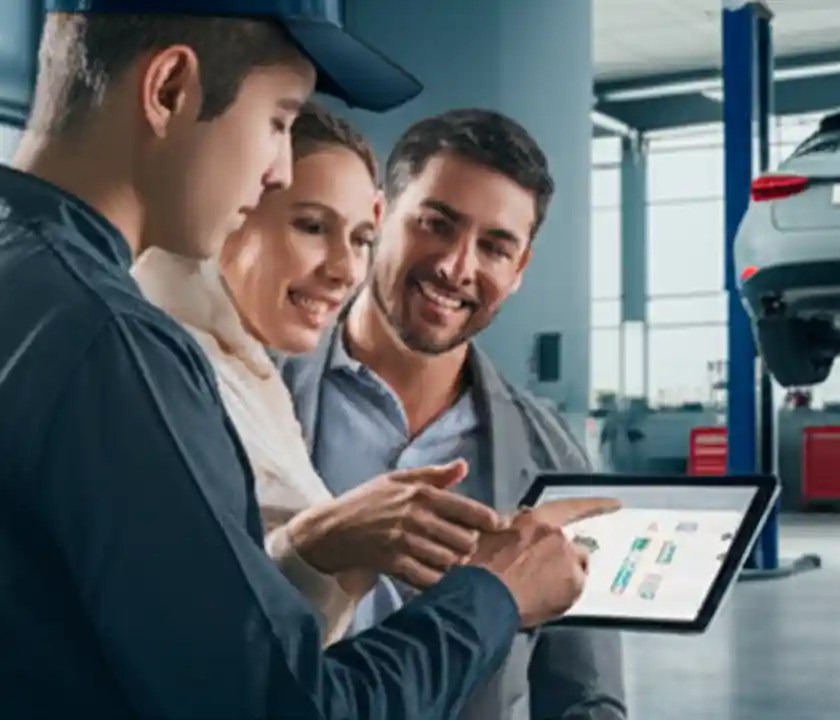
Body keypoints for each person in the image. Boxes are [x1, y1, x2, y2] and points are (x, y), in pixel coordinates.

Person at [0, 3, 607, 718]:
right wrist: (494, 593)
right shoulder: (117, 349)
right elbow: (281, 707)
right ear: (169, 89)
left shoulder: (30, 285)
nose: (277, 170)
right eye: (280, 120)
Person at [132, 101, 522, 647]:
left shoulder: (250, 378)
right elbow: (193, 639)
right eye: (312, 226)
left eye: (361, 238)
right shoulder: (158, 373)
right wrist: (326, 546)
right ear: (235, 208)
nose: (344, 270)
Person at [279, 109, 628, 719]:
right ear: (381, 216)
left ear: (518, 271)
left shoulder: (551, 455)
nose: (456, 267)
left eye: (495, 247)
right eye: (437, 224)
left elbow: (584, 697)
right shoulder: (253, 391)